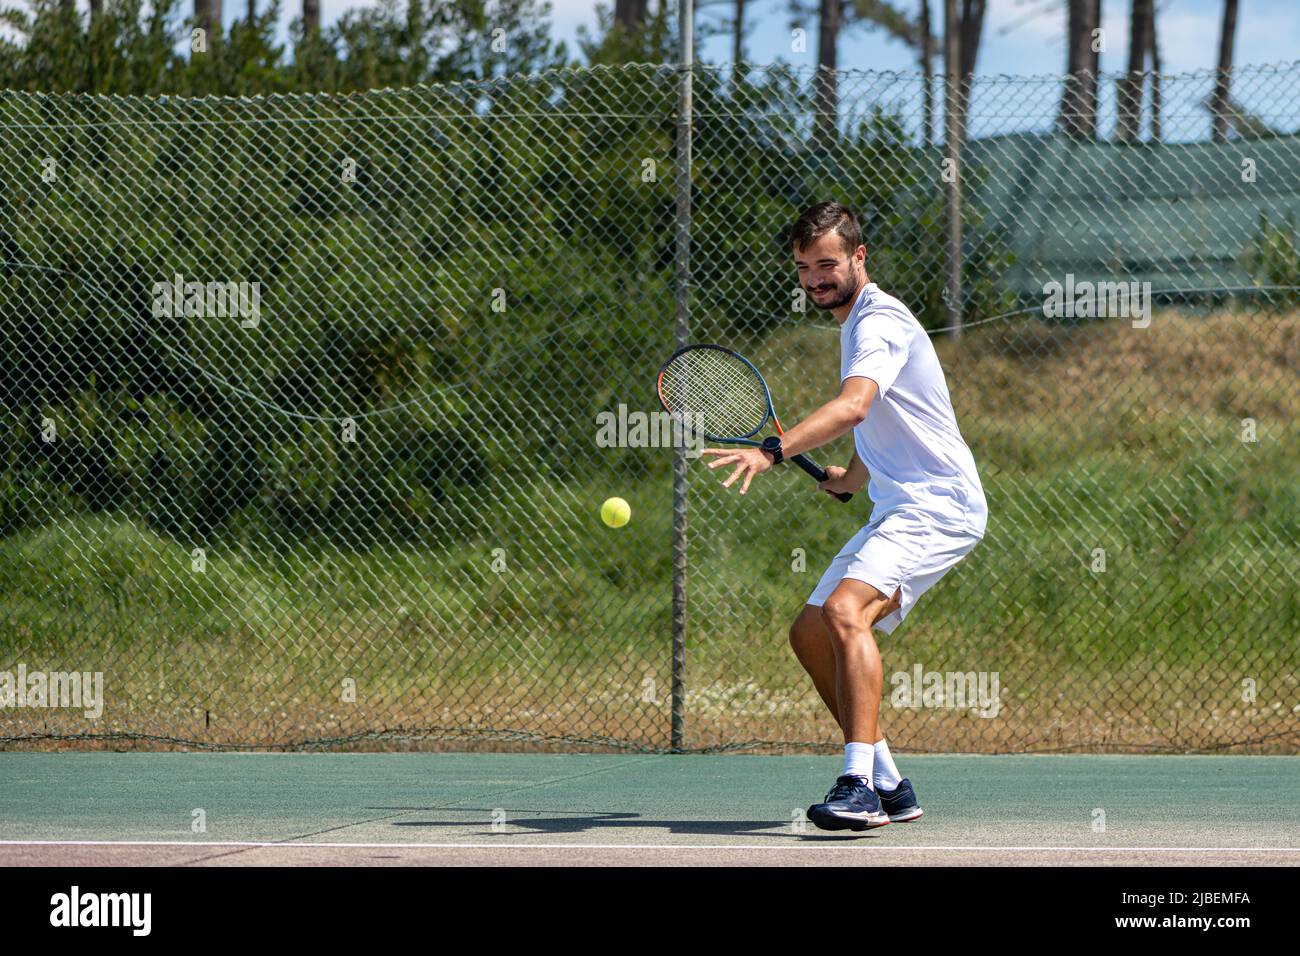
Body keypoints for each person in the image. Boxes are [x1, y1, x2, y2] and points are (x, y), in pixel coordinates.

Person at [699, 202, 988, 831]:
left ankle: (855, 783)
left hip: (937, 504)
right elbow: (885, 417)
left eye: (827, 263)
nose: (814, 279)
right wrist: (851, 479)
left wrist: (774, 450)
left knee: (844, 612)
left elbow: (855, 407)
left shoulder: (876, 319)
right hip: (901, 502)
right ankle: (888, 783)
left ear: (858, 258)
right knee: (810, 632)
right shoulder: (855, 322)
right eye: (804, 267)